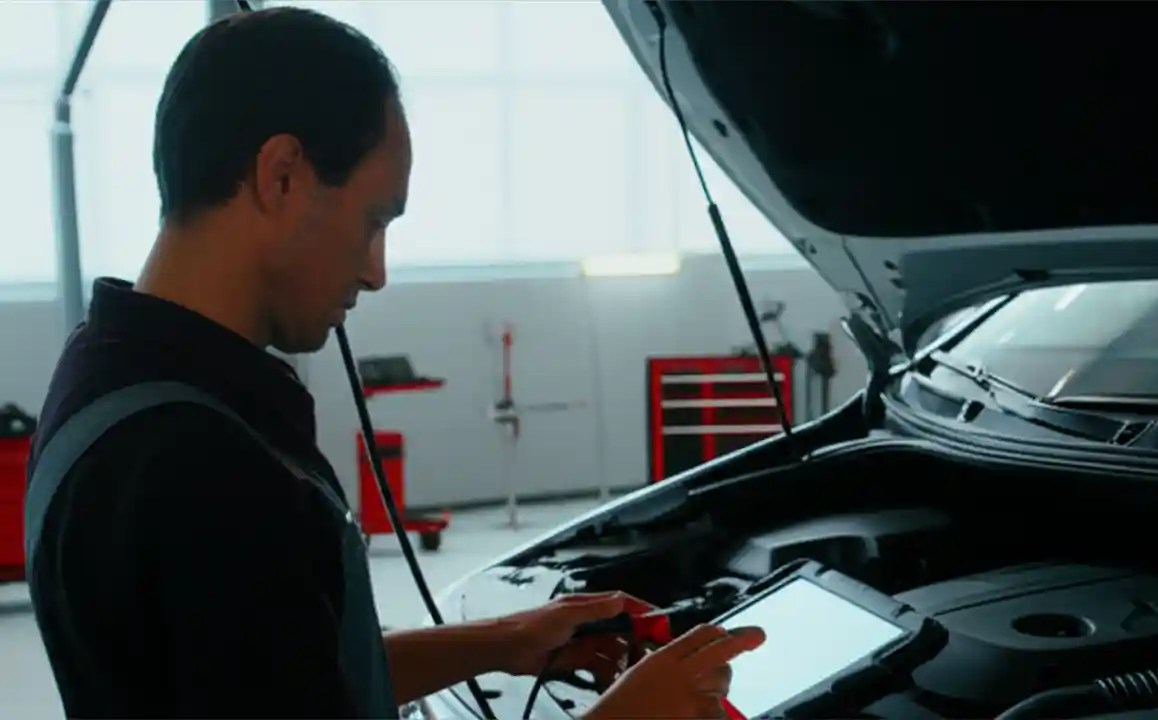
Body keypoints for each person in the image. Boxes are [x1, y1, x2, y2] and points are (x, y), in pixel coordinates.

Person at [24, 6, 764, 719]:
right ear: (281, 175)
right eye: (373, 219)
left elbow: (280, 674)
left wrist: (505, 642)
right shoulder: (204, 470)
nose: (376, 271)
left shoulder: (106, 373)